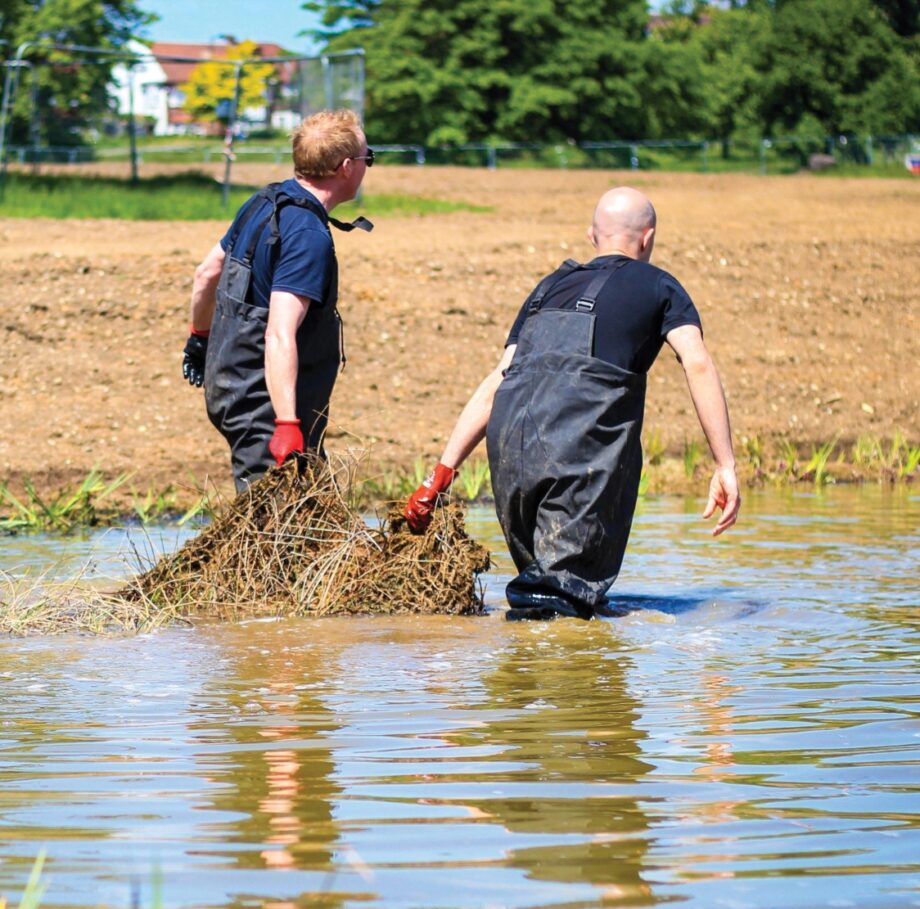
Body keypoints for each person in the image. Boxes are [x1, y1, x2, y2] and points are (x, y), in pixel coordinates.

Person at [404, 187, 740, 620]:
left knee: (551, 588)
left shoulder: (549, 288)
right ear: (648, 237)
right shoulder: (660, 285)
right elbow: (696, 363)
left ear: (591, 236)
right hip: (578, 450)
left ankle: (527, 675)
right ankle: (564, 676)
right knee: (557, 604)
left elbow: (498, 381)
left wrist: (441, 474)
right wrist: (724, 464)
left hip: (511, 454)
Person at [181, 109, 374, 491]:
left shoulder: (266, 201)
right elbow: (280, 333)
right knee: (274, 521)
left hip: (230, 385)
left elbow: (206, 274)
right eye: (369, 158)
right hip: (264, 404)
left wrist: (199, 340)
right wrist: (286, 424)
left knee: (301, 514)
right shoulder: (307, 234)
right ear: (347, 167)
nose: (369, 167)